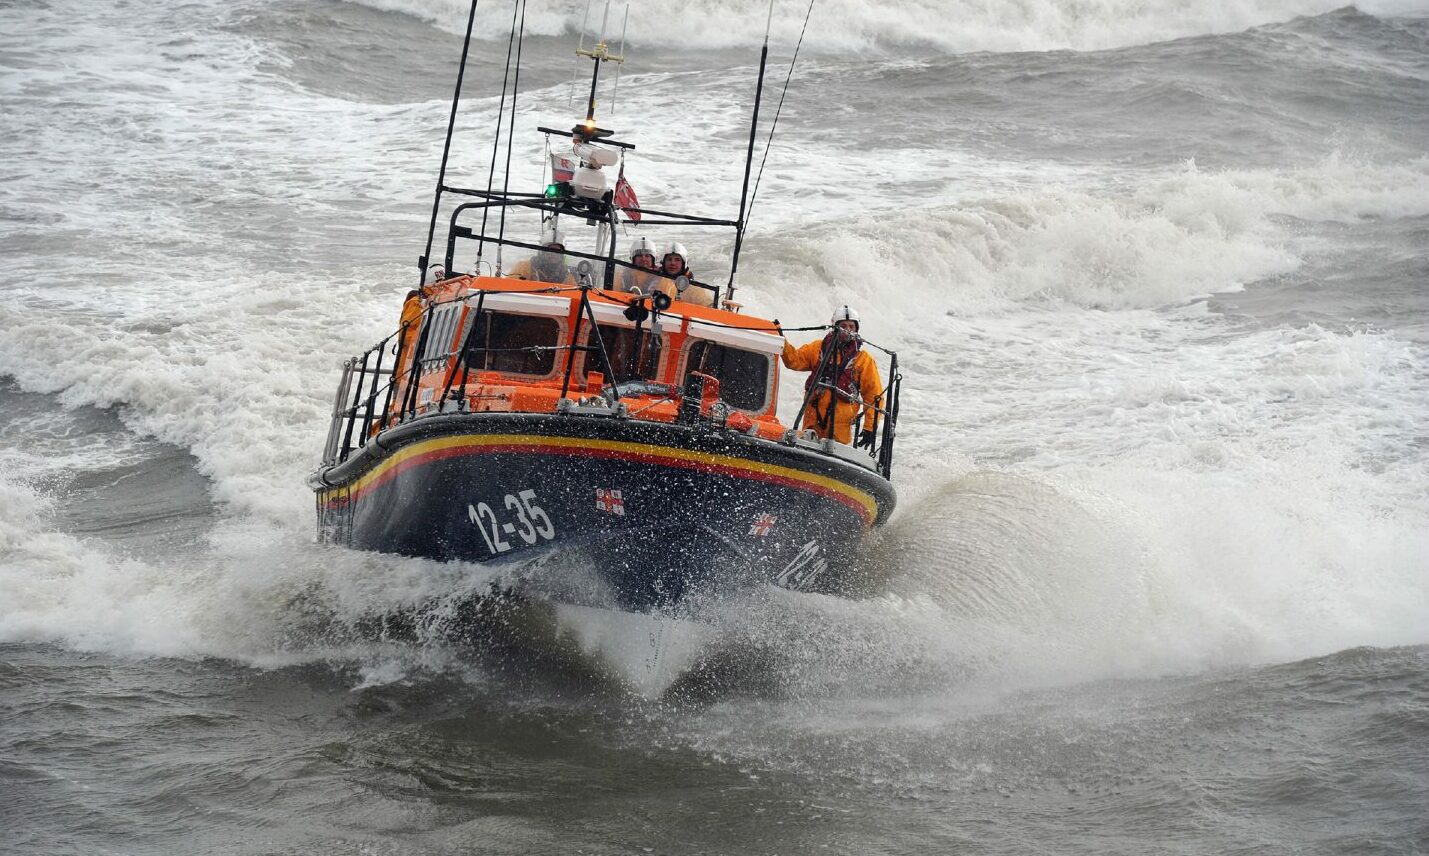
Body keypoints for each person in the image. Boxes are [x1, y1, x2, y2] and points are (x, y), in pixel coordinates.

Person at [780, 305, 884, 447]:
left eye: (851, 326)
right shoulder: (817, 349)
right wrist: (780, 339)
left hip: (839, 429)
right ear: (834, 326)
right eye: (843, 325)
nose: (847, 330)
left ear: (857, 329)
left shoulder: (863, 360)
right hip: (812, 423)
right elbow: (794, 361)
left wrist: (870, 428)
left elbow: (873, 395)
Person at [653, 242, 714, 307]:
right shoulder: (653, 280)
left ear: (683, 263)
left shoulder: (694, 289)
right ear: (663, 262)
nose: (673, 263)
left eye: (677, 260)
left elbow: (710, 308)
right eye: (669, 259)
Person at [507, 229, 576, 285]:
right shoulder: (524, 267)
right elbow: (509, 287)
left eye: (557, 251)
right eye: (549, 250)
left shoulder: (567, 277)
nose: (553, 254)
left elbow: (575, 295)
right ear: (542, 251)